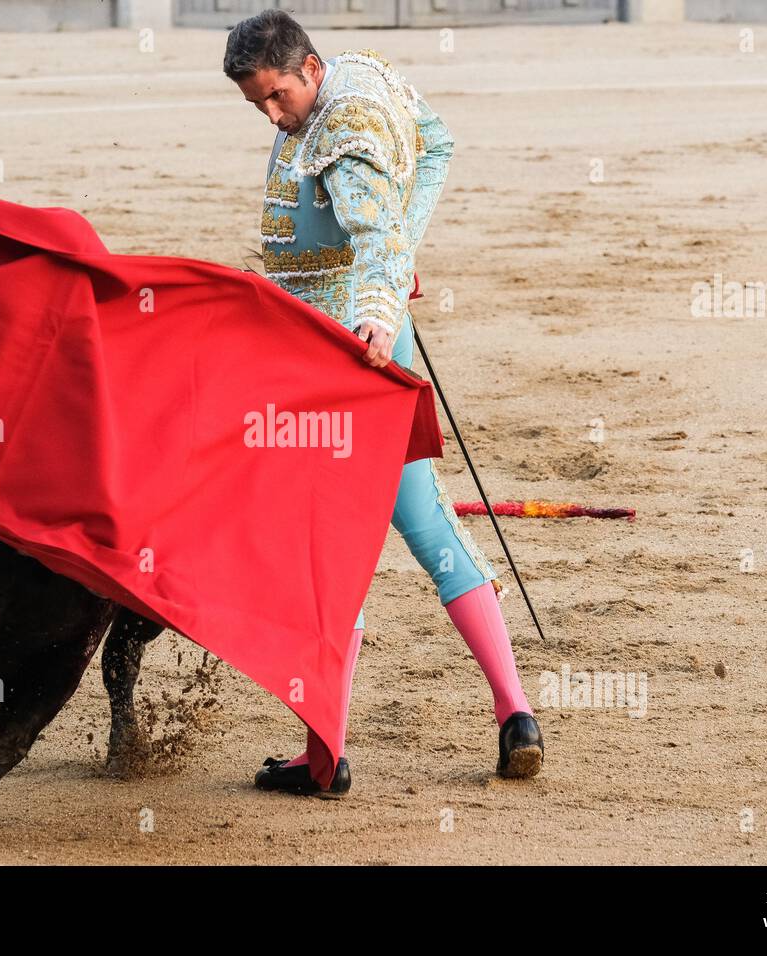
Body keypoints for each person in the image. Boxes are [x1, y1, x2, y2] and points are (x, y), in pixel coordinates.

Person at [223, 10, 543, 796]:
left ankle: (325, 753)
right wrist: (403, 262)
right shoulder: (366, 75)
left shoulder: (344, 130)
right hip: (372, 347)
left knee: (328, 546)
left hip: (337, 359)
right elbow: (436, 144)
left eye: (276, 96)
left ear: (310, 67)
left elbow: (369, 230)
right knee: (424, 521)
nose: (272, 114)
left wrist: (377, 300)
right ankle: (516, 713)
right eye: (257, 104)